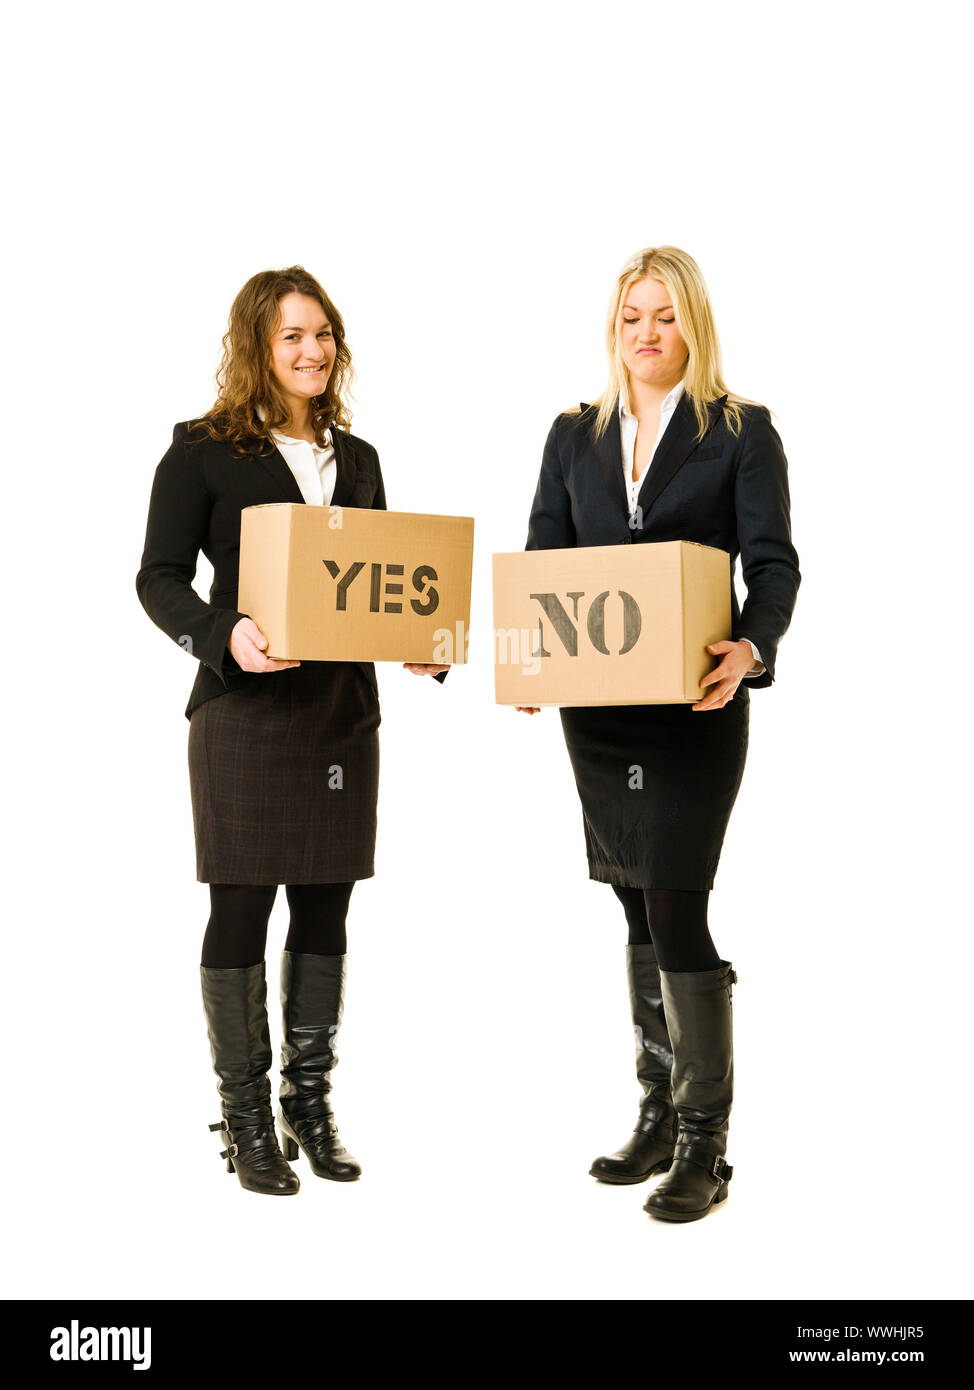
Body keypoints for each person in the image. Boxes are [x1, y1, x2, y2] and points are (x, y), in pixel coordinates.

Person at [136, 266, 448, 1196]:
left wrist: (423, 647)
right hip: (243, 710)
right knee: (241, 905)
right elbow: (157, 578)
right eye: (292, 338)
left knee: (326, 904)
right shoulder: (200, 452)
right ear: (257, 349)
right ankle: (243, 1119)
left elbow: (386, 587)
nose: (312, 352)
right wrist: (220, 632)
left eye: (323, 335)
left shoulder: (359, 461)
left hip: (340, 717)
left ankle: (307, 1104)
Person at [520, 245, 800, 1222]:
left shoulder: (738, 432)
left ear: (693, 327)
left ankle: (703, 1143)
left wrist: (750, 650)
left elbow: (770, 565)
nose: (646, 333)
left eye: (664, 316)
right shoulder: (573, 436)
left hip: (693, 707)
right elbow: (543, 561)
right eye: (631, 315)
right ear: (614, 328)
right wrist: (529, 660)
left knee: (677, 905)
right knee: (633, 907)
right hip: (596, 715)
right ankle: (653, 1112)